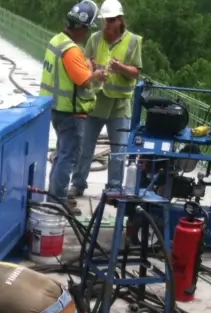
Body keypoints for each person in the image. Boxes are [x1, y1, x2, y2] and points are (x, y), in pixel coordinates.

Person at [40, 1, 106, 217]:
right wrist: (97, 74)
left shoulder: (56, 41)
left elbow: (71, 72)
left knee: (61, 154)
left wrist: (87, 67)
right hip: (71, 112)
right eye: (88, 29)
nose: (87, 34)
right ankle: (58, 201)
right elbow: (83, 81)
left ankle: (55, 195)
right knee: (68, 157)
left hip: (56, 109)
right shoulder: (71, 50)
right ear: (81, 27)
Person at [71, 0, 143, 197]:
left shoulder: (134, 41)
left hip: (119, 106)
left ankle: (113, 188)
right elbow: (85, 62)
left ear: (120, 21)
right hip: (97, 102)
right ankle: (77, 183)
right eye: (105, 21)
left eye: (111, 21)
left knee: (118, 152)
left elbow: (136, 71)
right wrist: (92, 68)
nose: (107, 25)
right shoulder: (95, 38)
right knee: (85, 147)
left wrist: (121, 68)